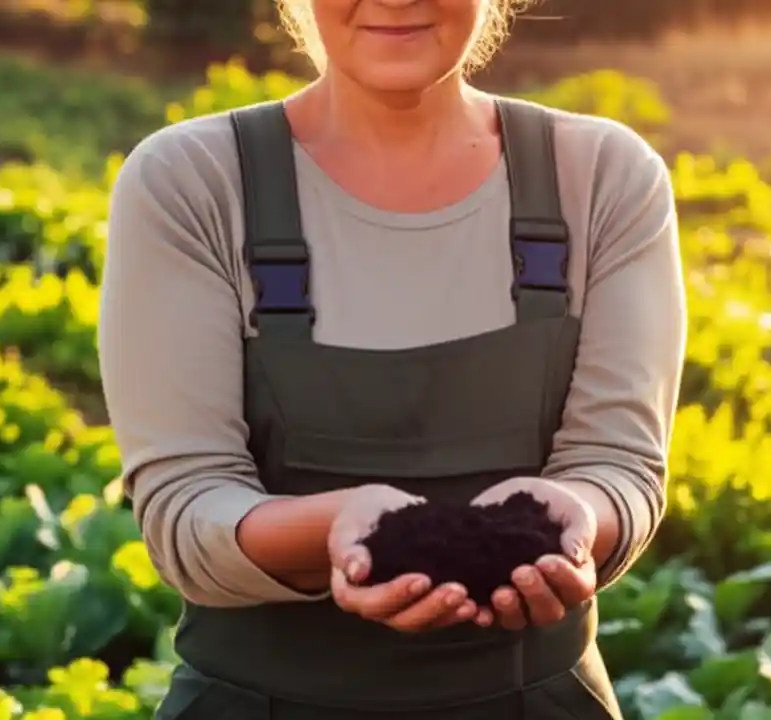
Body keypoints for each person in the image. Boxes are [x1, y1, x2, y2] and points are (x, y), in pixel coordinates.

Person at [97, 0, 687, 717]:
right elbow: (185, 508)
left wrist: (575, 517)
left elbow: (620, 467)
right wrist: (337, 527)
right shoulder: (193, 181)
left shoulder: (601, 177)